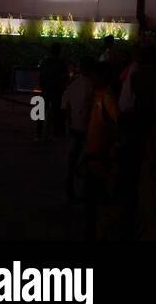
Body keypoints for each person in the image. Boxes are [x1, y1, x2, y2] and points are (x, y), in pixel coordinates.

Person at [83, 64, 120, 239]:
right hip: (94, 155)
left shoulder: (107, 97)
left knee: (98, 201)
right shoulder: (97, 96)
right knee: (93, 202)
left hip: (100, 157)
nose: (91, 80)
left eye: (93, 77)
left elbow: (118, 124)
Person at [62, 57, 95, 201]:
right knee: (87, 158)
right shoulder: (92, 86)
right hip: (87, 127)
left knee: (73, 157)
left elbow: (65, 106)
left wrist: (68, 123)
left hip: (74, 125)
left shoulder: (74, 84)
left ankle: (70, 184)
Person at [39, 43, 69, 139]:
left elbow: (41, 76)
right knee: (56, 111)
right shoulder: (61, 63)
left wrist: (42, 86)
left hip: (46, 90)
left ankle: (38, 133)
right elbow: (65, 77)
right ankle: (56, 133)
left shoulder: (45, 61)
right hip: (57, 90)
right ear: (59, 51)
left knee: (41, 111)